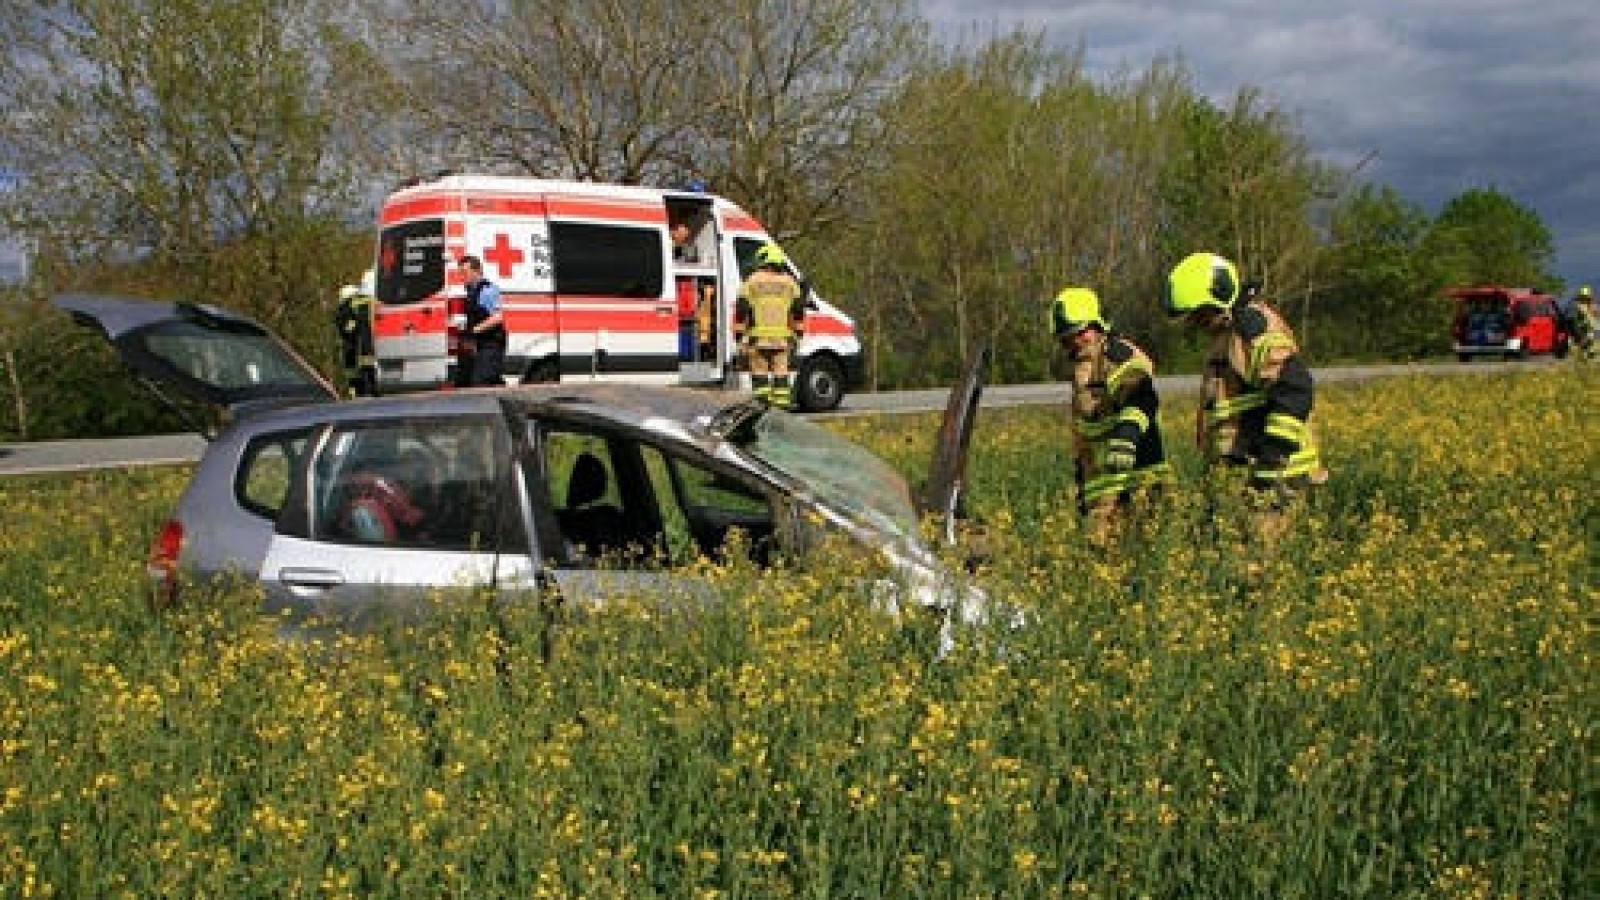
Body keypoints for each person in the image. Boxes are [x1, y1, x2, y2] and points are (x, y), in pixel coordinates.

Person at [1164, 252, 1327, 546]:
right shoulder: (1227, 334)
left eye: (1201, 314)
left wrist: (1269, 463)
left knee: (1255, 573)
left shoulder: (1250, 330)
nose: (1198, 324)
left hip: (1274, 476)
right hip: (1250, 477)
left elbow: (1295, 388)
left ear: (1220, 299)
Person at [1052, 286, 1172, 547]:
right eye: (1067, 338)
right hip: (1102, 497)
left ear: (1096, 325)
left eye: (1081, 332)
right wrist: (1081, 485)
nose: (1075, 342)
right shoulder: (1079, 374)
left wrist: (1126, 436)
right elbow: (1085, 435)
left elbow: (1141, 395)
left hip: (1137, 484)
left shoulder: (1117, 355)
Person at [734, 242, 806, 407]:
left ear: (763, 260)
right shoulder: (790, 283)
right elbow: (798, 311)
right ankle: (780, 408)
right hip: (782, 340)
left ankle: (762, 407)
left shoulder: (752, 281)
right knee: (781, 374)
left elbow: (741, 310)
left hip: (758, 340)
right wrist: (799, 335)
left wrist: (739, 337)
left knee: (760, 374)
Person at [459, 255, 506, 387]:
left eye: (465, 272)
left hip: (492, 343)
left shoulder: (488, 290)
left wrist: (473, 330)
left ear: (477, 271)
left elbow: (498, 317)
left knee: (480, 381)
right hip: (480, 343)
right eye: (460, 273)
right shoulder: (470, 291)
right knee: (484, 380)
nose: (462, 276)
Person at [333, 271, 378, 397]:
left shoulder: (351, 305)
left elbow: (346, 328)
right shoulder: (371, 302)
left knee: (358, 382)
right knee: (368, 381)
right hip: (368, 351)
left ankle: (359, 394)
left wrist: (351, 330)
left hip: (358, 352)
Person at [1570, 285, 1596, 360]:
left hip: (1587, 325)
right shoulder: (1580, 306)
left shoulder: (1586, 305)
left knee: (1588, 339)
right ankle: (1587, 354)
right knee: (1586, 340)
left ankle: (1589, 353)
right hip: (1584, 325)